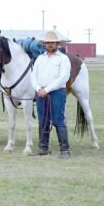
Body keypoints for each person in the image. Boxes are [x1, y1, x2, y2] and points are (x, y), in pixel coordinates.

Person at [30, 30, 72, 159]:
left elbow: (63, 77)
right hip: (41, 93)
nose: (50, 45)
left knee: (58, 120)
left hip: (56, 93)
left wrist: (46, 90)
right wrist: (38, 88)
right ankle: (43, 148)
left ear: (57, 44)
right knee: (42, 120)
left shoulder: (63, 59)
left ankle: (65, 150)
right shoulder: (39, 59)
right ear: (44, 44)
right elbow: (33, 76)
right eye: (48, 43)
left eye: (52, 42)